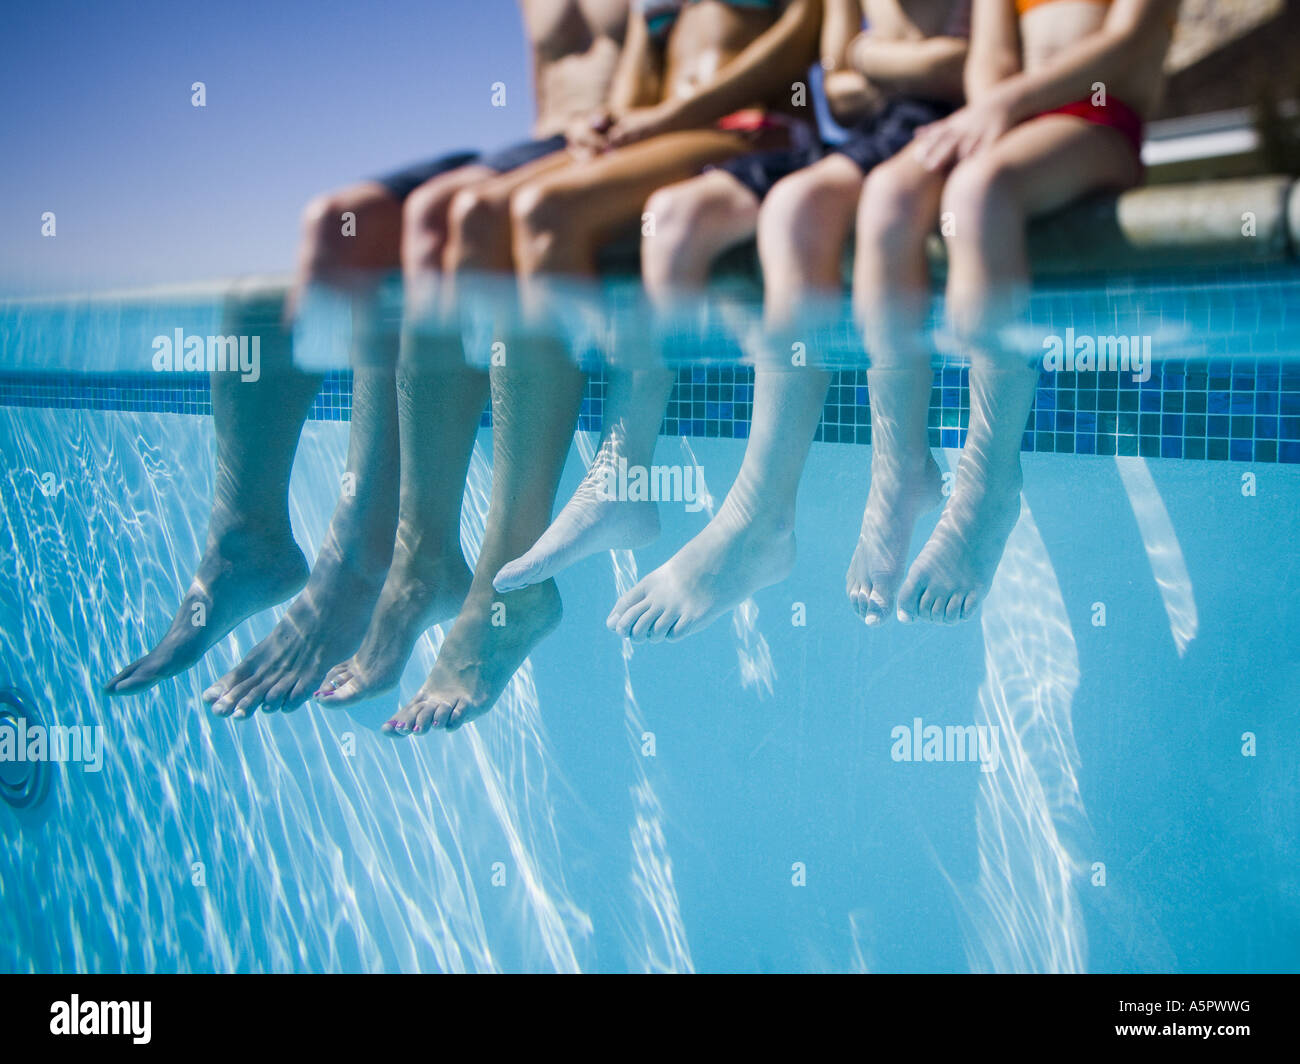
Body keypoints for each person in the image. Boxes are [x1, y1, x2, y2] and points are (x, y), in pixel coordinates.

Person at [104, 0, 629, 717]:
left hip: (619, 157)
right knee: (302, 256)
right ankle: (247, 538)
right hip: (549, 149)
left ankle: (380, 560)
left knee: (435, 244)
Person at [382, 0, 823, 734]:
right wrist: (611, 121)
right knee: (470, 216)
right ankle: (456, 551)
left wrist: (662, 119)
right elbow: (638, 76)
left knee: (545, 210)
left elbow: (796, 49)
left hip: (747, 129)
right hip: (668, 128)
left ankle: (596, 493)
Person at [597, 0, 972, 643]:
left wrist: (868, 57)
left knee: (835, 208)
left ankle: (886, 472)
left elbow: (962, 66)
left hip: (954, 126)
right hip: (879, 132)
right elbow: (841, 92)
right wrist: (895, 65)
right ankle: (757, 515)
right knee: (791, 209)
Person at [846, 0, 1176, 626]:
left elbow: (1128, 42)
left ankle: (988, 482)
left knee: (977, 192)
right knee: (886, 199)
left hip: (1098, 119)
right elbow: (991, 59)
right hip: (1008, 122)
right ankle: (897, 469)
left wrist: (1004, 104)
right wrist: (993, 105)